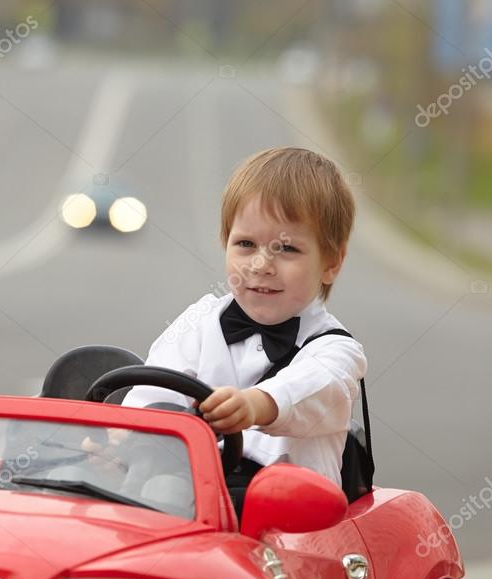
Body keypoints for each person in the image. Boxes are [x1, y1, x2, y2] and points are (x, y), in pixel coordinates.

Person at [90, 147, 368, 517]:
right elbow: (153, 395)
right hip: (189, 497)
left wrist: (255, 404)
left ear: (331, 263)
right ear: (226, 244)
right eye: (245, 244)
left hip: (287, 522)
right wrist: (120, 446)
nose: (260, 264)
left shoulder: (337, 352)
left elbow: (308, 389)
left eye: (286, 249)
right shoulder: (201, 320)